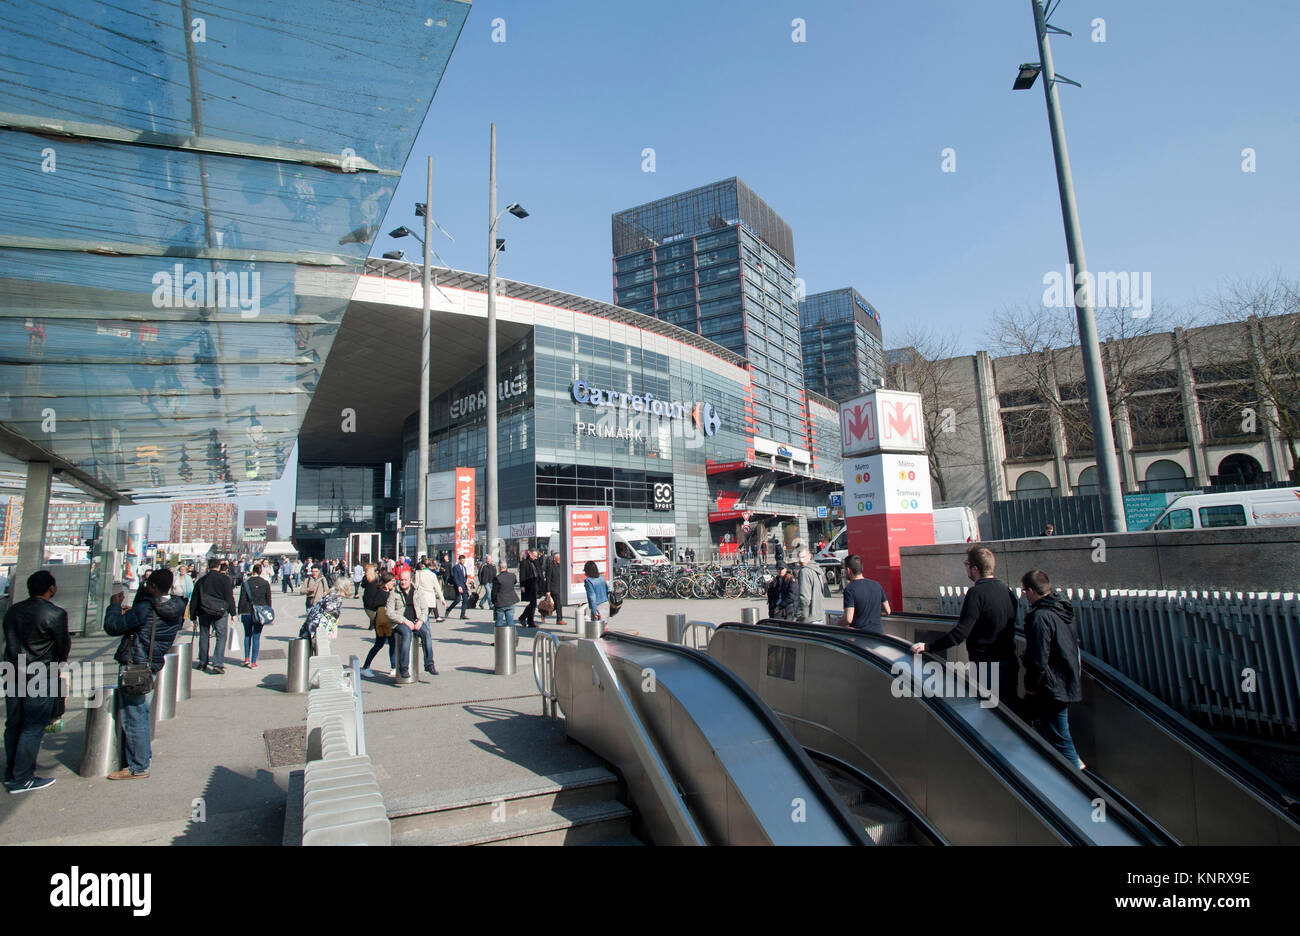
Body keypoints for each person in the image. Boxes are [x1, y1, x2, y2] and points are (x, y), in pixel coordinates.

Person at [910, 545, 1020, 711]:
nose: (966, 568)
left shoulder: (976, 593)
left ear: (975, 568)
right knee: (1009, 718)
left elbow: (960, 633)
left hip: (987, 667)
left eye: (966, 564)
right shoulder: (1007, 591)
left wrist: (928, 646)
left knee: (989, 717)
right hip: (1009, 663)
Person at [103, 568, 186, 780]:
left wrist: (114, 606)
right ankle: (142, 757)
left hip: (135, 665)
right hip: (153, 663)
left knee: (134, 714)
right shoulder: (176, 607)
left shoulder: (146, 608)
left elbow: (113, 627)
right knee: (141, 712)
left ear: (153, 587)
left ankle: (138, 766)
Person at [2, 570, 70, 794]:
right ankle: (22, 779)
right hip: (41, 674)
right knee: (32, 727)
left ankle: (12, 771)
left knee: (13, 723)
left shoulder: (13, 611)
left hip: (13, 672)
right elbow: (62, 647)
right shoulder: (56, 614)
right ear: (51, 588)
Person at [1021, 570, 1085, 769]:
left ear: (1031, 591)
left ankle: (1081, 783)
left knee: (1061, 738)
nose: (1024, 595)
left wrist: (1030, 686)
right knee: (1055, 732)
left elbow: (1039, 658)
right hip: (1066, 682)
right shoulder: (1063, 610)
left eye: (1024, 591)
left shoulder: (1041, 617)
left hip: (1050, 687)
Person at [386, 569, 436, 681]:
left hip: (415, 620)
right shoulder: (394, 593)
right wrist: (404, 621)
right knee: (407, 634)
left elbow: (425, 609)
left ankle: (429, 663)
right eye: (401, 580)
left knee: (426, 633)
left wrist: (421, 621)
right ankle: (403, 667)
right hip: (400, 622)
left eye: (405, 580)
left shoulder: (418, 591)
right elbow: (389, 613)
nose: (403, 582)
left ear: (410, 580)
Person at [193, 559, 236, 674]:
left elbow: (195, 598)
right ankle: (217, 662)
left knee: (204, 635)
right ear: (218, 567)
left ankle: (203, 661)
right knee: (221, 635)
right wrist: (233, 612)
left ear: (208, 566)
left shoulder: (201, 580)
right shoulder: (225, 579)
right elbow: (229, 597)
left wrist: (193, 615)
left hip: (204, 610)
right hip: (220, 611)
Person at [840, 554, 890, 633]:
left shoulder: (849, 590)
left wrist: (836, 624)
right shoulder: (876, 585)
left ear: (848, 570)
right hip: (879, 635)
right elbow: (888, 611)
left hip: (861, 637)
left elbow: (848, 619)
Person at [237, 562, 273, 669]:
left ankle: (246, 658)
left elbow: (242, 599)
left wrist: (239, 612)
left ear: (252, 571)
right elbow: (268, 600)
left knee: (247, 635)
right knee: (256, 637)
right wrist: (268, 613)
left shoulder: (246, 583)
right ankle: (253, 662)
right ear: (261, 571)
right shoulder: (265, 583)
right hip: (260, 613)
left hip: (247, 612)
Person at [361, 572, 398, 677]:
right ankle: (365, 667)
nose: (394, 583)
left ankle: (394, 667)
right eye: (392, 581)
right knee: (379, 644)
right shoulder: (381, 592)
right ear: (386, 582)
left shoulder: (389, 591)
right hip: (381, 620)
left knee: (392, 643)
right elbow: (375, 604)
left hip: (388, 620)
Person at [793, 546, 828, 625]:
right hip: (819, 615)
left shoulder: (804, 571)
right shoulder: (817, 569)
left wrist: (797, 616)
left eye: (803, 557)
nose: (801, 560)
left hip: (808, 618)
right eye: (799, 558)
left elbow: (805, 599)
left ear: (809, 556)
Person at [413, 557, 445, 625]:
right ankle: (427, 633)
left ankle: (420, 632)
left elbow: (416, 587)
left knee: (421, 617)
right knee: (425, 617)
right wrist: (442, 599)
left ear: (423, 565)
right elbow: (438, 588)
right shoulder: (433, 575)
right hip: (431, 599)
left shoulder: (418, 573)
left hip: (421, 598)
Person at [492, 560, 519, 632]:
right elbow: (515, 582)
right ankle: (514, 637)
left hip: (500, 602)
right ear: (506, 568)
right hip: (510, 601)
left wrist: (493, 601)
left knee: (499, 622)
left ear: (499, 568)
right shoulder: (512, 576)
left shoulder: (497, 578)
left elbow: (494, 592)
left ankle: (498, 640)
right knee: (510, 621)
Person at [583, 560, 610, 625]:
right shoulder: (602, 577)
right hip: (605, 603)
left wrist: (594, 611)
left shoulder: (588, 581)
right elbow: (607, 590)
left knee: (597, 627)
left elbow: (592, 597)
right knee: (605, 625)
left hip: (597, 606)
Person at [518, 548, 540, 627]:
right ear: (530, 554)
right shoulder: (524, 562)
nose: (536, 557)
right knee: (533, 603)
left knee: (533, 603)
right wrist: (522, 585)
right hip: (528, 585)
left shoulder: (533, 562)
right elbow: (522, 575)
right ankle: (522, 617)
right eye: (534, 556)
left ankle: (530, 621)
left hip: (534, 584)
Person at [545, 551, 565, 627]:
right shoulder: (550, 566)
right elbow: (548, 579)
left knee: (557, 604)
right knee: (559, 603)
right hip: (554, 588)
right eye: (559, 558)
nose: (560, 560)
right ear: (555, 559)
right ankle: (559, 619)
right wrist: (548, 590)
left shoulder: (561, 565)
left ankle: (545, 612)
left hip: (560, 587)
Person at [446, 554, 470, 620]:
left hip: (464, 585)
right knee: (457, 600)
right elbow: (455, 578)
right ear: (459, 560)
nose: (463, 561)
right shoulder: (456, 568)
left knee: (465, 599)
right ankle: (448, 609)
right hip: (458, 586)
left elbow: (465, 577)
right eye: (462, 560)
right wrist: (459, 586)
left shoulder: (464, 568)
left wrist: (467, 583)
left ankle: (462, 614)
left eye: (464, 560)